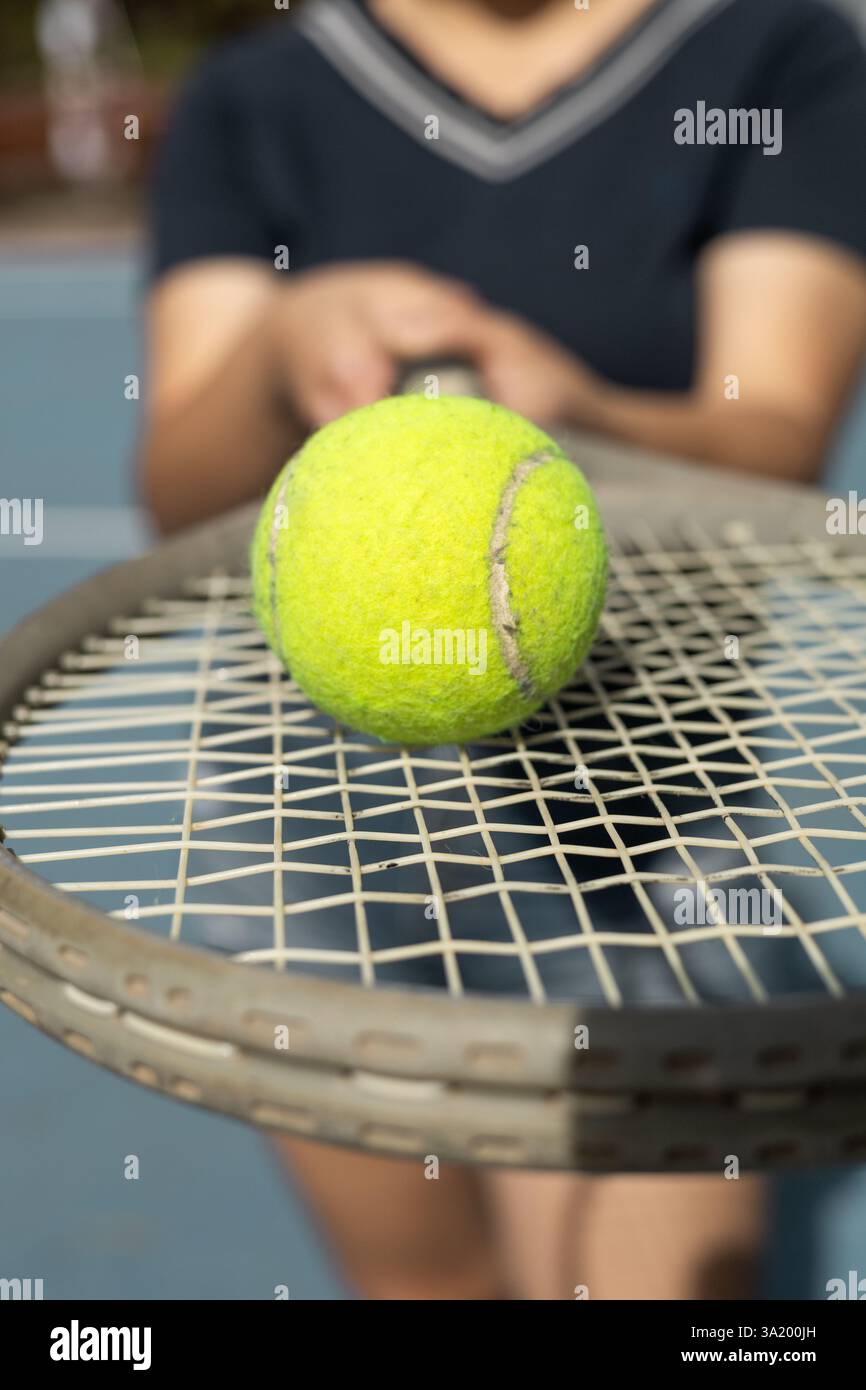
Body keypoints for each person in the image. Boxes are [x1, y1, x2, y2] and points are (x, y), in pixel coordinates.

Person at [140, 0, 866, 1298]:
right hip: (313, 823)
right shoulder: (253, 95)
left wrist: (577, 410)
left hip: (630, 817)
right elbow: (181, 489)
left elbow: (779, 439)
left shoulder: (771, 53)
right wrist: (281, 344)